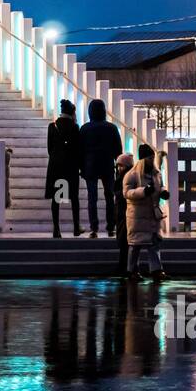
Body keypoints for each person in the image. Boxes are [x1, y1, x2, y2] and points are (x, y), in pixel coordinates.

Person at [79, 98, 122, 239]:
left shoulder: (84, 128)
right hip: (107, 166)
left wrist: (81, 168)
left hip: (90, 166)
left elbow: (80, 151)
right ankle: (111, 227)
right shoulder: (112, 128)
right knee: (110, 197)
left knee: (92, 198)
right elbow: (118, 150)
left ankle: (94, 228)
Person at [124, 144, 168, 280]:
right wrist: (143, 191)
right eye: (149, 157)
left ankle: (156, 270)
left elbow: (160, 186)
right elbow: (126, 193)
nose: (151, 160)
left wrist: (163, 192)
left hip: (151, 214)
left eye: (152, 157)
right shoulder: (131, 175)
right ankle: (132, 270)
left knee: (153, 244)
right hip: (137, 215)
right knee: (135, 245)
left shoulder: (156, 174)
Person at [45, 99, 83, 238]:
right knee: (74, 197)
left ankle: (56, 229)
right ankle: (76, 227)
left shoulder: (52, 126)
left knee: (56, 198)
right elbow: (78, 149)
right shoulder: (75, 127)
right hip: (71, 165)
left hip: (55, 165)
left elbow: (49, 148)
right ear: (72, 112)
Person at [113, 152, 135, 275]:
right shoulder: (120, 178)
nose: (119, 168)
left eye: (122, 165)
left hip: (126, 213)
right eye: (118, 166)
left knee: (125, 242)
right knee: (123, 242)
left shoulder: (127, 178)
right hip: (120, 213)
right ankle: (125, 266)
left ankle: (125, 267)